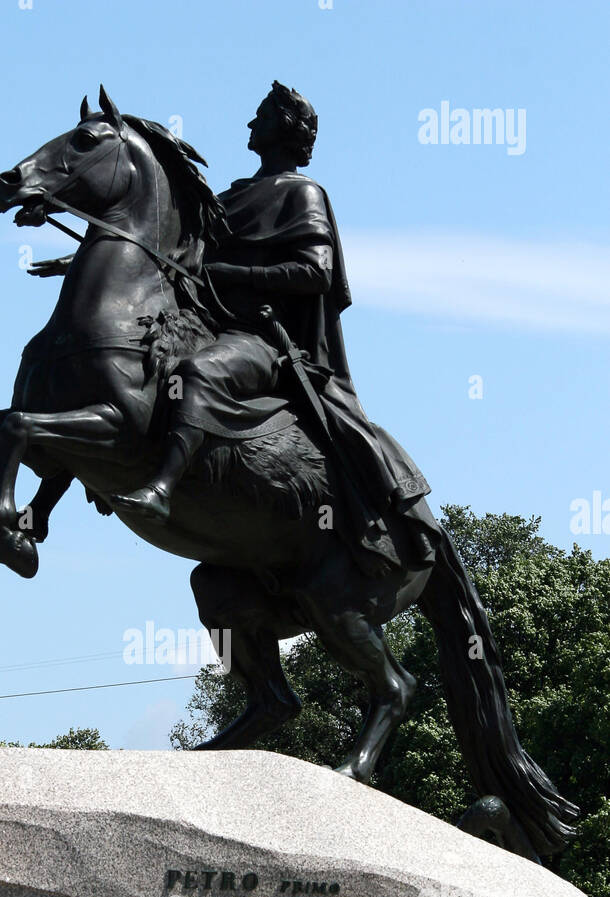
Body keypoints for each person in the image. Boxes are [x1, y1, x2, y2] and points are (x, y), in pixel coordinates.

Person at [112, 81, 437, 574]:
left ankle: (162, 487)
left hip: (264, 341)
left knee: (198, 374)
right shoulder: (230, 197)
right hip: (209, 325)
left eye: (260, 115)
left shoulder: (303, 194)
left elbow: (314, 273)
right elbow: (176, 259)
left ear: (285, 128)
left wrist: (232, 274)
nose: (249, 124)